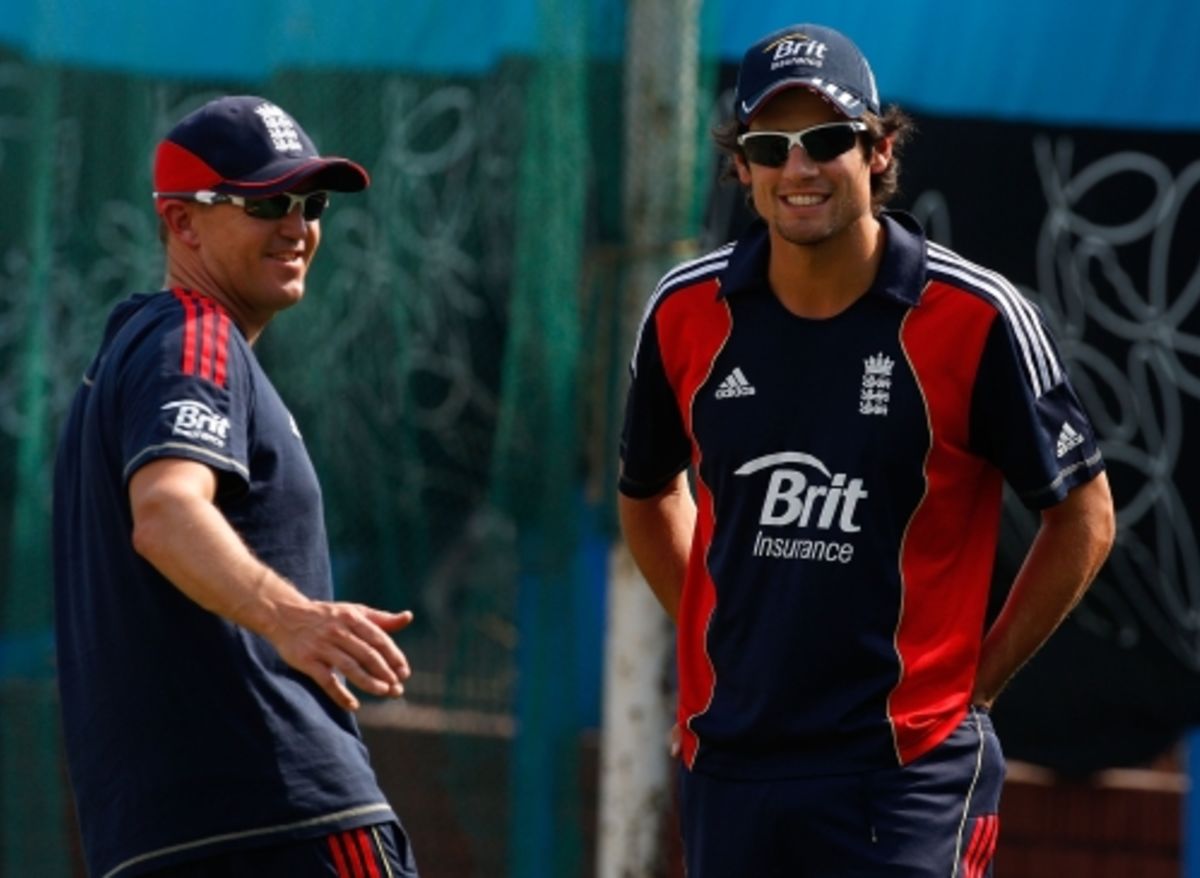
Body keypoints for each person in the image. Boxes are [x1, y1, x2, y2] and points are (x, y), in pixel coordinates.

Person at [617, 23, 1115, 877]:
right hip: (733, 764)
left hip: (906, 775)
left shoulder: (978, 317)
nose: (798, 169)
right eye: (770, 147)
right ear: (741, 166)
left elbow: (1084, 517)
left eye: (827, 140)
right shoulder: (683, 311)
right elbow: (649, 493)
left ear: (879, 149)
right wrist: (716, 648)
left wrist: (974, 687)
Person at [53, 96, 419, 878]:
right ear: (183, 224)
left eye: (310, 203)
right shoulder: (195, 333)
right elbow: (167, 510)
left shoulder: (126, 359)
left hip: (157, 837)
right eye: (263, 204)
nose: (297, 227)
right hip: (282, 816)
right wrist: (288, 616)